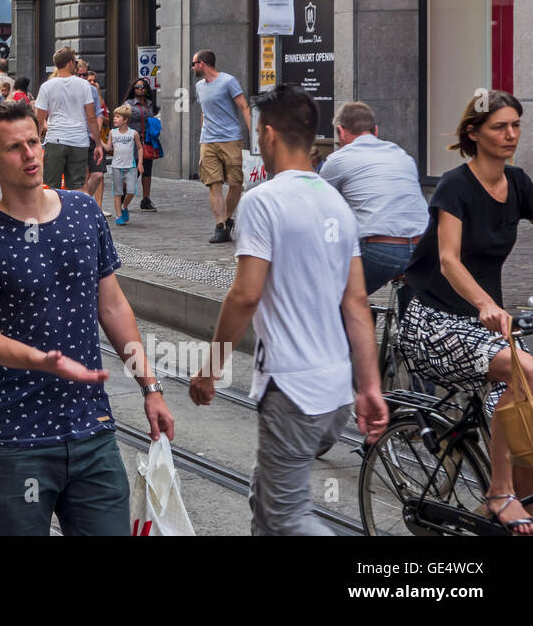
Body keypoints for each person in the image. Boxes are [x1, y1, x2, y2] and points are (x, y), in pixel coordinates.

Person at [0, 100, 173, 535]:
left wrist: (151, 386)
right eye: (15, 148)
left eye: (34, 141)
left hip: (92, 431)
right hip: (15, 440)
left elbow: (112, 307)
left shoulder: (84, 212)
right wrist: (42, 360)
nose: (30, 154)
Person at [190, 84, 388, 535]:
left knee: (287, 518)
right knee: (266, 503)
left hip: (293, 389)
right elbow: (356, 302)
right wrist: (370, 385)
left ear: (271, 135)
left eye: (260, 132)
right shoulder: (336, 202)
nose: (259, 140)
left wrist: (211, 368)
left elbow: (245, 294)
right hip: (335, 391)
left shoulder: (263, 200)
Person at [398, 90, 533, 533]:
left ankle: (517, 506)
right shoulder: (455, 185)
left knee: (526, 420)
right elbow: (449, 260)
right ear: (473, 133)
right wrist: (487, 304)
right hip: (433, 322)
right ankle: (498, 493)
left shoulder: (516, 183)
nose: (510, 134)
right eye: (499, 126)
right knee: (524, 371)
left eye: (515, 124)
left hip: (482, 328)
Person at [318, 101, 429, 295]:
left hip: (382, 249)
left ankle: (356, 322)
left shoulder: (338, 160)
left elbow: (318, 207)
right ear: (375, 131)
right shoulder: (402, 156)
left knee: (336, 298)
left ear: (341, 132)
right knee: (413, 306)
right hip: (423, 249)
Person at [192, 50, 251, 244]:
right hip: (208, 141)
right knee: (213, 183)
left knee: (235, 184)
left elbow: (244, 107)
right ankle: (220, 226)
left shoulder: (228, 81)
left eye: (194, 64)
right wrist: (203, 135)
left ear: (203, 64)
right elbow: (204, 112)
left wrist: (254, 134)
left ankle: (227, 219)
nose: (192, 68)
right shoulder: (199, 86)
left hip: (230, 139)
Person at [35, 48, 103, 192]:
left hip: (55, 140)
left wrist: (35, 141)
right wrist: (98, 144)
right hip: (78, 140)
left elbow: (39, 119)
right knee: (78, 186)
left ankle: (54, 214)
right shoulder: (84, 85)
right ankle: (76, 213)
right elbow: (91, 117)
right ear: (70, 63)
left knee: (51, 186)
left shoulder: (46, 86)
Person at [77, 61, 110, 214]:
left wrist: (95, 135)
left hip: (92, 137)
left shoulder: (92, 90)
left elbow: (99, 114)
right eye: (80, 75)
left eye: (85, 74)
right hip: (77, 137)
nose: (83, 77)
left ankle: (83, 202)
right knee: (82, 177)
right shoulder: (71, 89)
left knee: (98, 174)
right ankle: (84, 206)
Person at [102, 105, 143, 226]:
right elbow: (109, 148)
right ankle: (119, 216)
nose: (114, 119)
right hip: (116, 167)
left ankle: (124, 206)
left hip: (130, 166)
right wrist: (99, 141)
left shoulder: (133, 133)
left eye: (117, 117)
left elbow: (140, 148)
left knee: (131, 191)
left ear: (125, 120)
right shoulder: (112, 133)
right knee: (117, 192)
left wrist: (140, 163)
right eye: (114, 117)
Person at [123, 78, 160, 211]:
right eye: (137, 87)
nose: (140, 89)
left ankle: (146, 199)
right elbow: (123, 121)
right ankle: (123, 196)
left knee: (147, 171)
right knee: (134, 171)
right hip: (133, 142)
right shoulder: (129, 104)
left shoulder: (150, 104)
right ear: (133, 89)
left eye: (143, 87)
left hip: (148, 140)